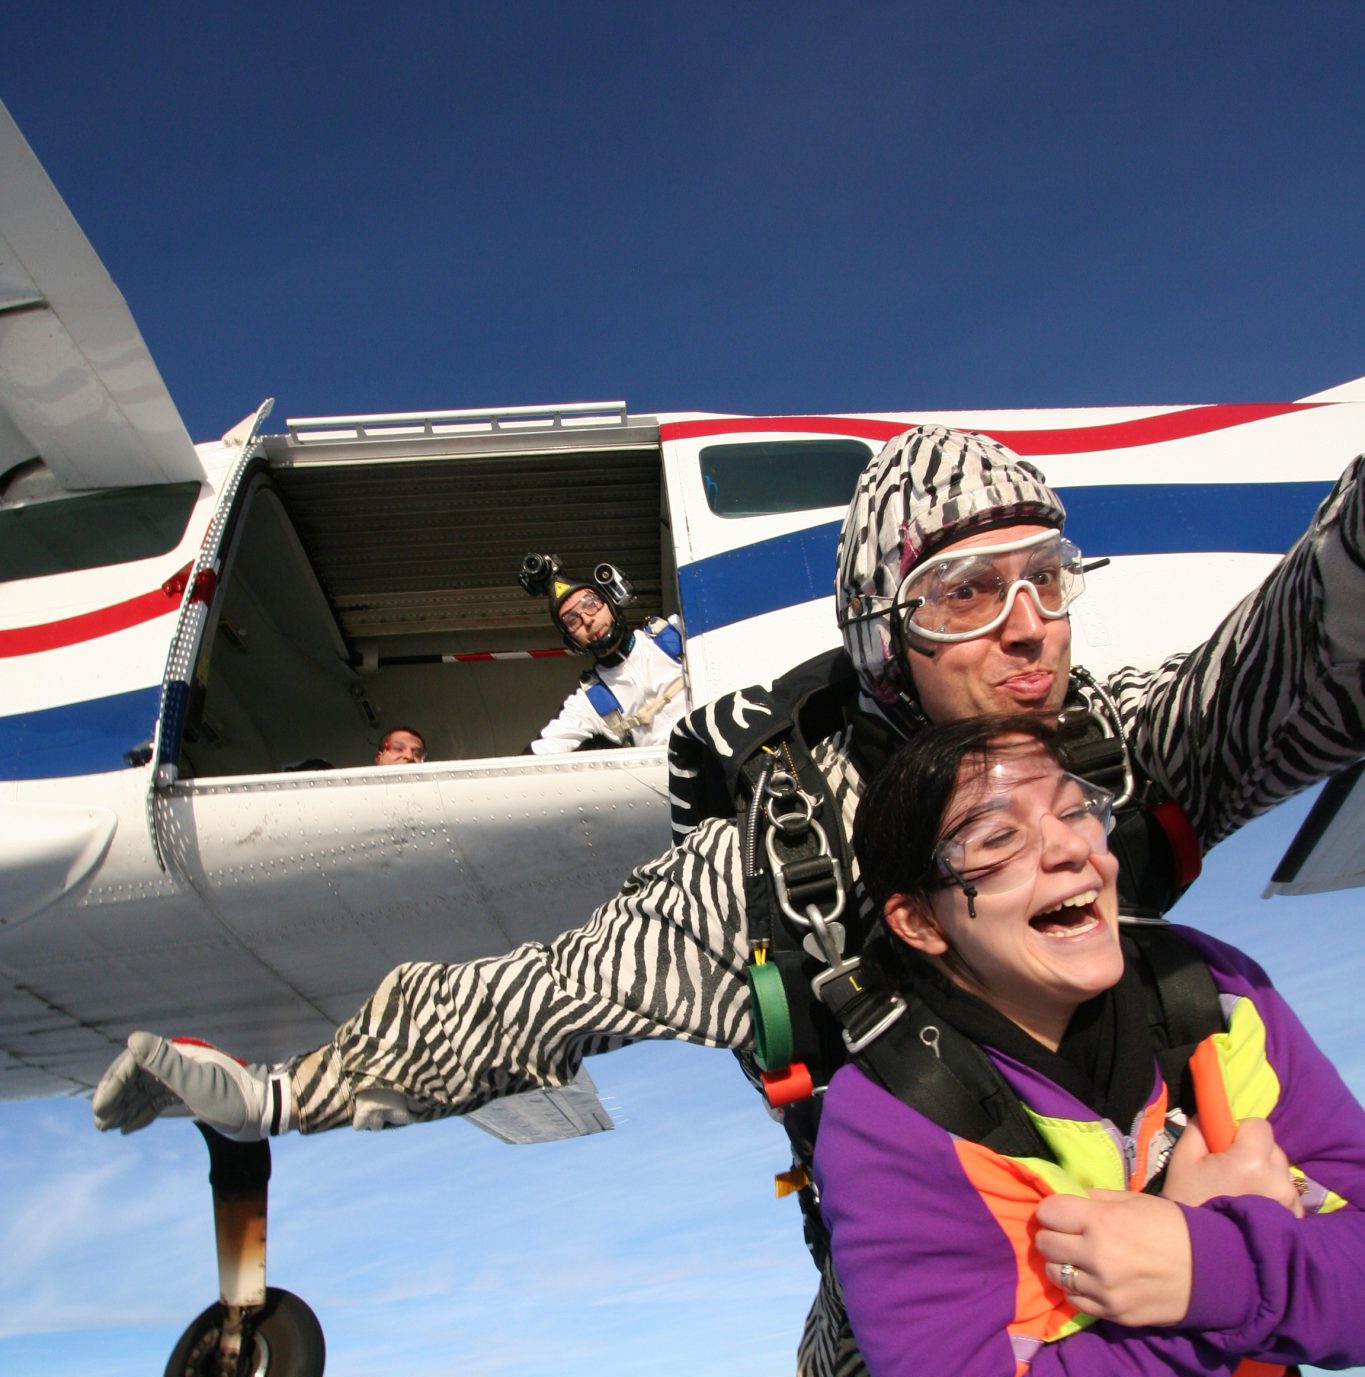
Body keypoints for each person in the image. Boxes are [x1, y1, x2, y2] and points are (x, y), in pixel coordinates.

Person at [92, 419, 1365, 1148]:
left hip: (1197, 1220)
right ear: (878, 625)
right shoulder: (775, 865)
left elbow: (1300, 647)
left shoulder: (1128, 744)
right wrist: (279, 1093)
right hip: (947, 1291)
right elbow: (536, 996)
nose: (1030, 625)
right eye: (967, 591)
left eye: (1049, 574)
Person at [815, 713, 1365, 1377]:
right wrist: (1236, 1262)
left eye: (1076, 810)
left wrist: (1205, 1266)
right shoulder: (890, 1118)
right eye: (995, 839)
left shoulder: (1212, 993)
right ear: (922, 923)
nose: (1070, 844)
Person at [519, 554, 689, 754]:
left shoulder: (675, 633)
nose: (587, 619)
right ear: (571, 640)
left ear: (610, 600)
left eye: (590, 604)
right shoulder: (590, 700)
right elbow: (539, 753)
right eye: (572, 621)